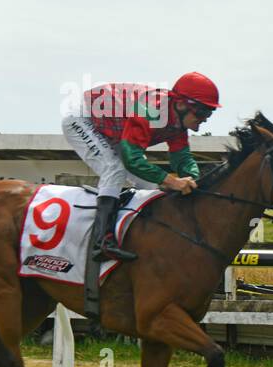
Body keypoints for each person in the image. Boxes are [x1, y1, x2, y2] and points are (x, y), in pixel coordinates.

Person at [61, 72, 221, 261]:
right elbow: (133, 160)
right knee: (115, 170)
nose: (205, 119)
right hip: (82, 118)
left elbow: (182, 158)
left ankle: (143, 237)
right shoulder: (152, 109)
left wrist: (194, 179)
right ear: (181, 104)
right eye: (202, 112)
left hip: (112, 125)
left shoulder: (177, 122)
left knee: (149, 186)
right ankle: (101, 241)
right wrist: (172, 181)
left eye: (210, 113)